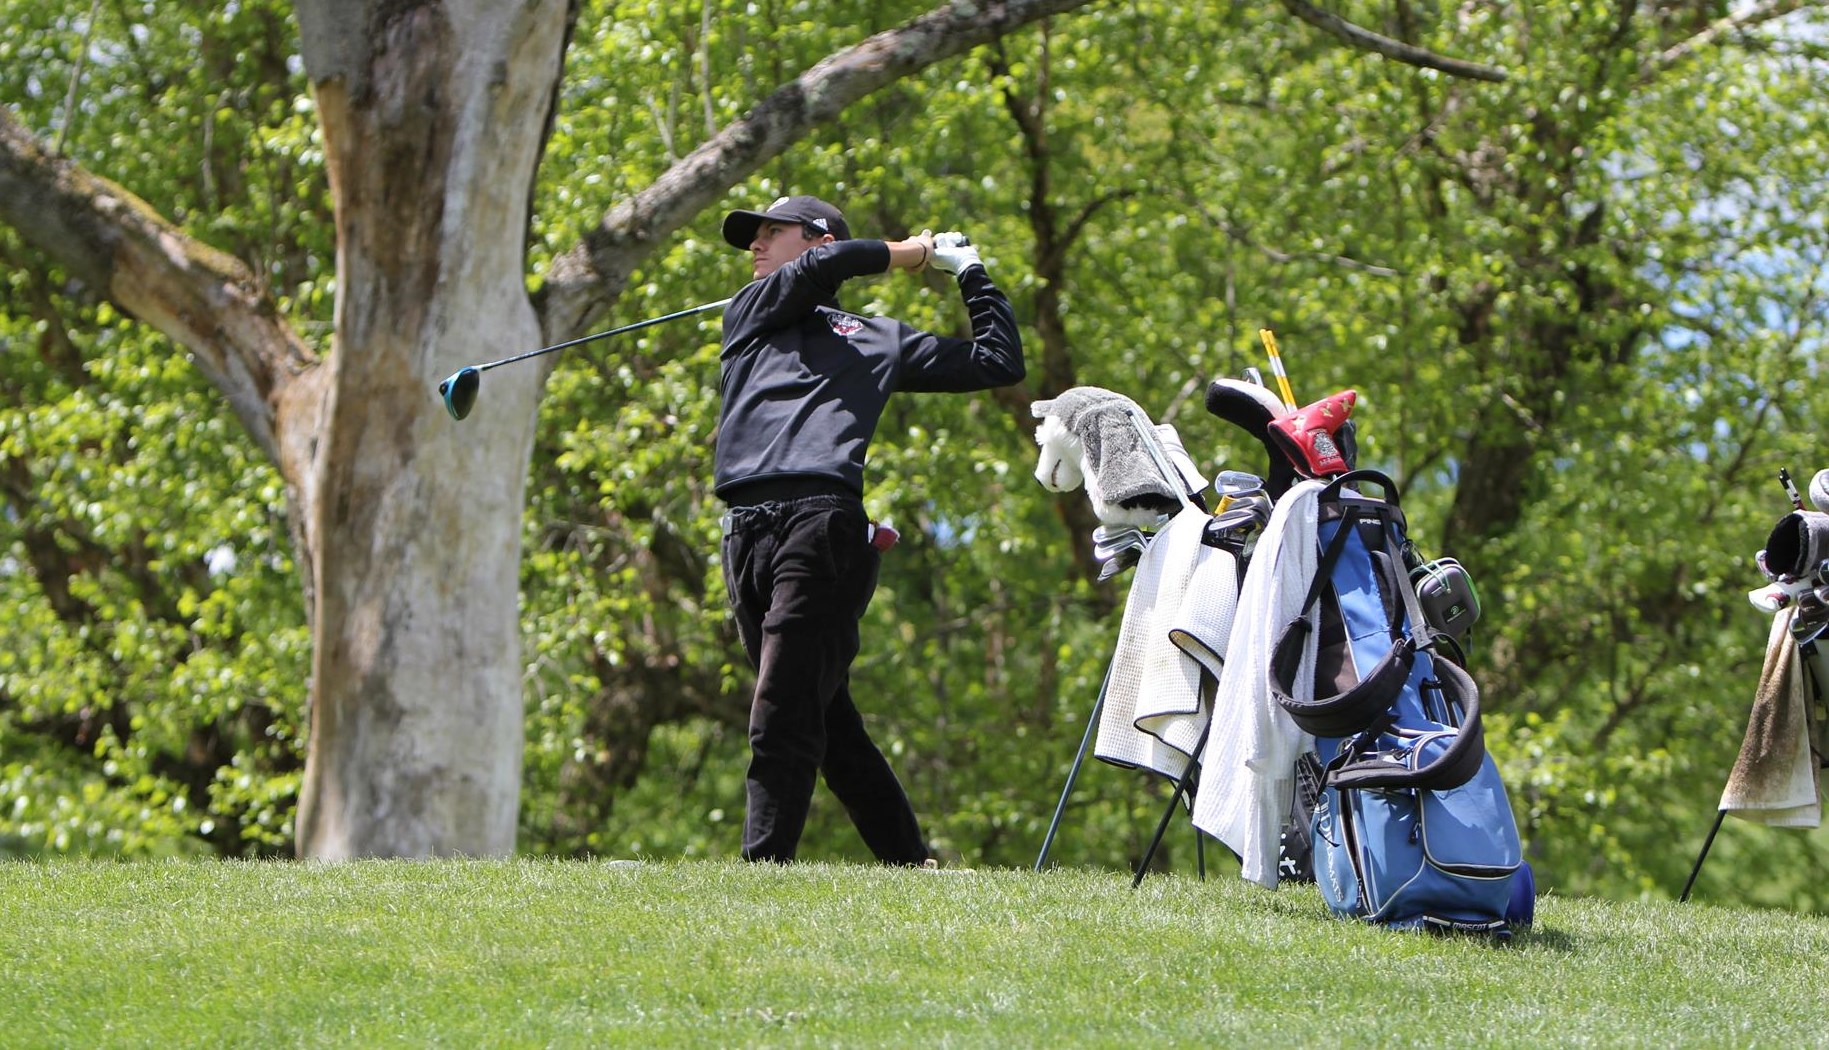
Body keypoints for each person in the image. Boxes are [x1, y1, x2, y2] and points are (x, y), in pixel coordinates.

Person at [715, 194, 1025, 864]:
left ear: (816, 239)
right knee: (827, 720)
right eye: (754, 236)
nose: (755, 246)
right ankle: (909, 864)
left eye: (772, 232)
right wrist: (913, 253)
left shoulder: (879, 340)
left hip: (820, 529)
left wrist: (970, 273)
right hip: (745, 532)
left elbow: (997, 361)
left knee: (781, 710)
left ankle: (763, 865)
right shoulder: (753, 311)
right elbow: (830, 268)